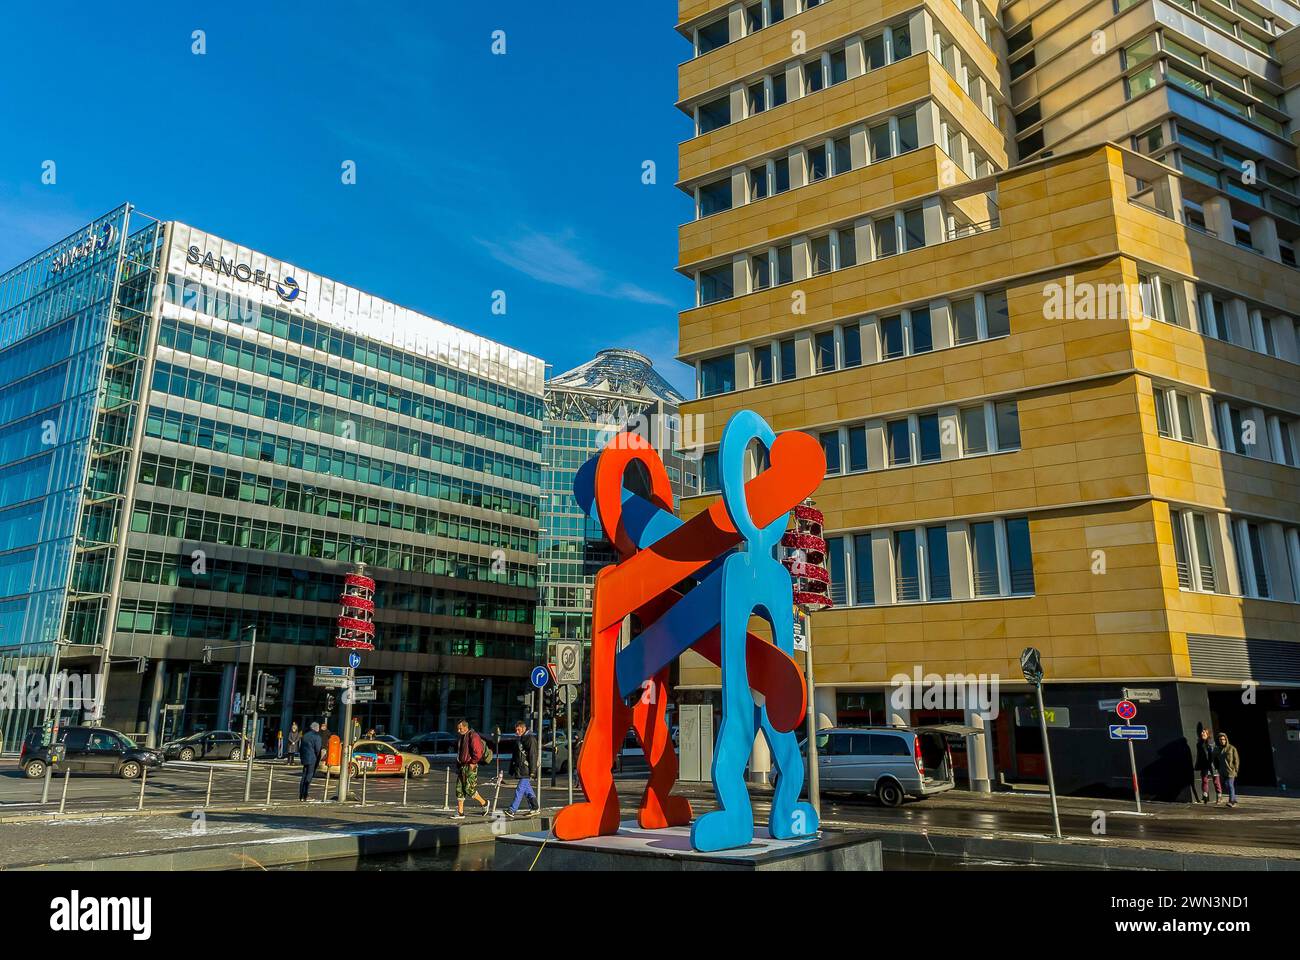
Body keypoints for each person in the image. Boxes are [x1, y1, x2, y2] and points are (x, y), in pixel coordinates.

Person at [452, 718, 491, 819]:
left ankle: (485, 803)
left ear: (465, 727)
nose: (458, 731)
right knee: (459, 788)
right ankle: (460, 812)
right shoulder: (462, 737)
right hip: (462, 766)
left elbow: (478, 751)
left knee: (469, 789)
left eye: (460, 728)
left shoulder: (473, 735)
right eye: (458, 729)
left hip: (470, 766)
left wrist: (473, 763)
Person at [506, 720, 540, 818]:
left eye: (518, 729)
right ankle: (535, 807)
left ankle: (512, 810)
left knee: (520, 789)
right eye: (516, 730)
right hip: (522, 768)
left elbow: (533, 755)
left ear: (524, 728)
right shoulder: (521, 738)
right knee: (527, 790)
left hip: (526, 769)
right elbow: (516, 755)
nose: (517, 731)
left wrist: (533, 771)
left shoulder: (530, 739)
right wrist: (512, 769)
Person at [1194, 727, 1221, 804]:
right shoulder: (1199, 743)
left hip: (1212, 764)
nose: (1202, 733)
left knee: (1216, 781)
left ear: (1208, 734)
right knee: (1204, 780)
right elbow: (1200, 754)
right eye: (1202, 732)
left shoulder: (1211, 742)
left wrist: (1207, 742)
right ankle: (1205, 797)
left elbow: (1213, 752)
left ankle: (1219, 796)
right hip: (1204, 765)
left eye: (1204, 732)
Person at [1215, 731, 1240, 807]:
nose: (1222, 741)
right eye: (1220, 739)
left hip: (1231, 770)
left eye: (1223, 739)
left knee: (1230, 785)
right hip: (1223, 771)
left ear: (1226, 739)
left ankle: (1231, 801)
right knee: (1227, 785)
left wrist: (1236, 769)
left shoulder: (1231, 748)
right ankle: (1234, 798)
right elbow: (1216, 760)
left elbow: (1236, 760)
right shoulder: (1218, 749)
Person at [299, 722, 323, 801]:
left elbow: (300, 747)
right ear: (316, 728)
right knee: (309, 776)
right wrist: (318, 758)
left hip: (305, 758)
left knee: (304, 776)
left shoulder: (305, 736)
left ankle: (301, 795)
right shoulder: (317, 737)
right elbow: (318, 749)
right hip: (312, 758)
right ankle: (306, 795)